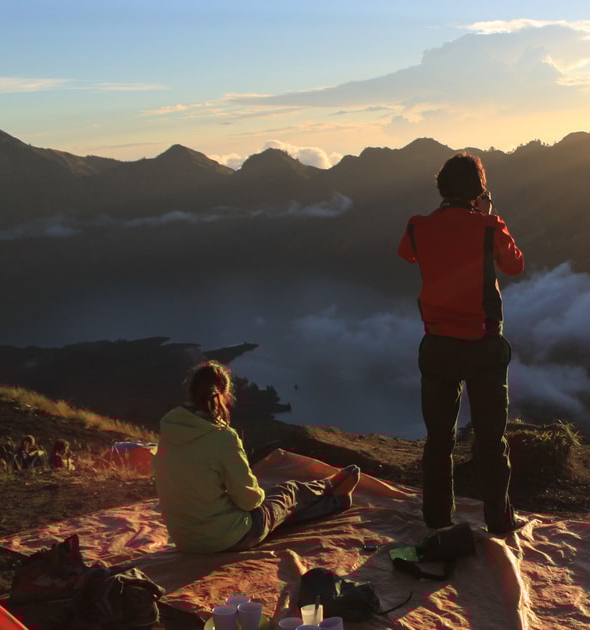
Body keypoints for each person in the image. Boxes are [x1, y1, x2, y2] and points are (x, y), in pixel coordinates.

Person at [397, 151, 526, 535]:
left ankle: (437, 518)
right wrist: (490, 213)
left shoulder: (418, 227)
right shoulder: (489, 226)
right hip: (483, 345)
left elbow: (407, 255)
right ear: (479, 189)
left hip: (437, 345)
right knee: (491, 439)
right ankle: (499, 521)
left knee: (439, 439)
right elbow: (515, 264)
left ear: (441, 188)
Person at [152, 361, 360, 553]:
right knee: (286, 492)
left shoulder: (170, 428)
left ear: (190, 392)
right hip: (227, 540)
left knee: (277, 511)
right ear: (223, 394)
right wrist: (259, 494)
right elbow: (250, 501)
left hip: (185, 541)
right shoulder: (222, 438)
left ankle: (333, 495)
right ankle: (332, 492)